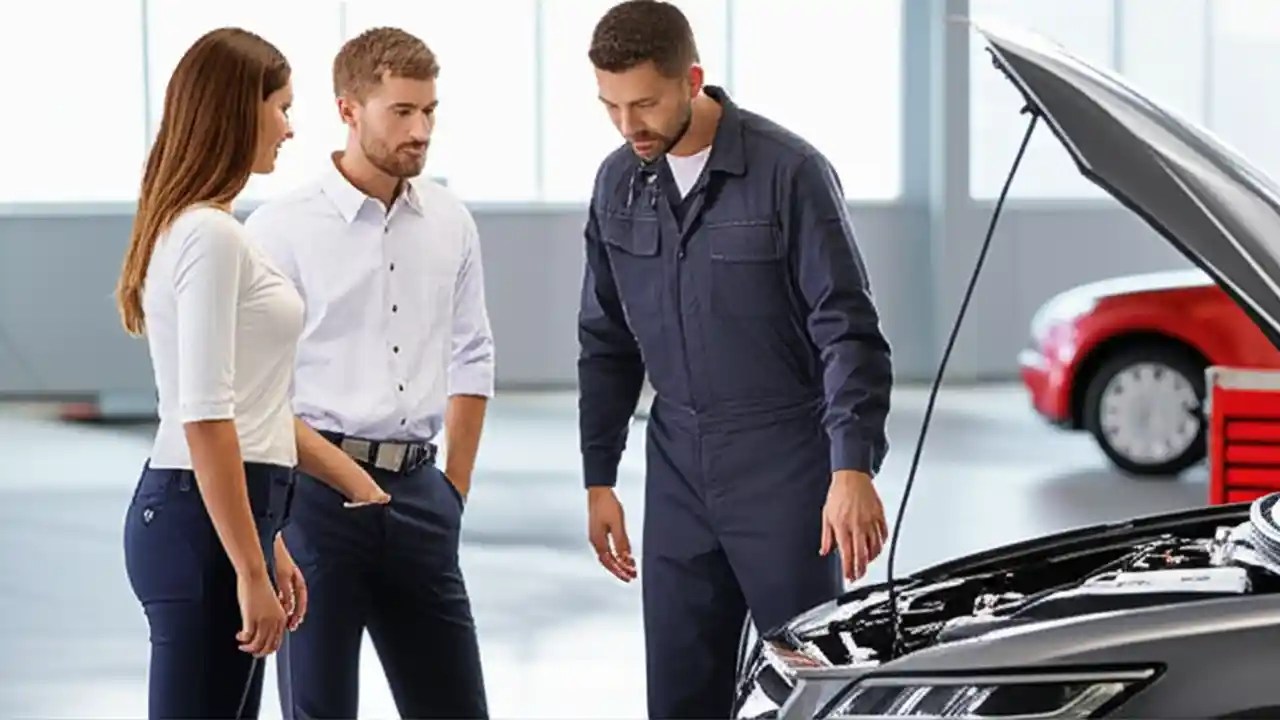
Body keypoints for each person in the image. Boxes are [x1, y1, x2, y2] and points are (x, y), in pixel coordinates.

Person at [576, 1, 895, 716]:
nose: (629, 126)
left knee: (808, 688)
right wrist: (600, 476)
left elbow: (848, 330)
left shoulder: (791, 173)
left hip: (786, 465)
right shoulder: (617, 184)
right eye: (611, 106)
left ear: (692, 79)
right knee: (680, 694)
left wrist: (852, 468)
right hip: (677, 466)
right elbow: (606, 339)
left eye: (646, 104)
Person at [115, 27, 391, 720]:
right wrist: (246, 567)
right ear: (240, 110)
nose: (290, 130)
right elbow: (205, 418)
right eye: (282, 107)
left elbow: (251, 409)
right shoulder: (210, 237)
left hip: (219, 517)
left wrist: (276, 539)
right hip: (197, 525)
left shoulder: (206, 230)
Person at [243, 26, 495, 720]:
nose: (421, 131)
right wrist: (278, 522)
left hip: (422, 495)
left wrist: (454, 492)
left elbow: (472, 354)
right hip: (316, 502)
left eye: (430, 111)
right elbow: (256, 392)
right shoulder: (279, 229)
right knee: (319, 710)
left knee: (457, 708)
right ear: (349, 110)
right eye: (403, 112)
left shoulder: (450, 220)